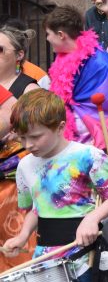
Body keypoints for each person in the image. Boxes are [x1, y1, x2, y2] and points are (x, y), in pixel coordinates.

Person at [2, 89, 108, 281]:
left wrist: (92, 218)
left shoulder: (88, 156)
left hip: (82, 253)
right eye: (22, 138)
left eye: (35, 136)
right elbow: (36, 209)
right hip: (45, 255)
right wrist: (23, 236)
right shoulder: (24, 165)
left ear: (59, 127)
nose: (28, 145)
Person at [44, 6, 108, 153]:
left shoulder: (99, 62)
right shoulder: (61, 59)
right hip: (70, 145)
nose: (47, 39)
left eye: (48, 34)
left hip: (94, 148)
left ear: (60, 35)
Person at [0, 26, 38, 272]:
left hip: (15, 185)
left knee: (15, 251)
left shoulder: (28, 89)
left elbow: (42, 133)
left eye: (0, 49)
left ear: (19, 55)